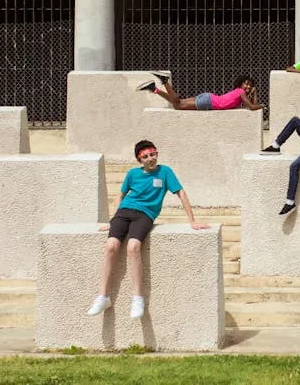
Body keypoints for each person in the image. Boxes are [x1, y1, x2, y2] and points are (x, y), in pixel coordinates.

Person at [86, 140, 210, 319]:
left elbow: (181, 193)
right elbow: (120, 196)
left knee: (133, 247)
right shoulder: (132, 174)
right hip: (124, 211)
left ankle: (138, 298)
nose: (150, 159)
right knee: (111, 246)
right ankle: (103, 296)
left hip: (145, 215)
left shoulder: (165, 172)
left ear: (157, 154)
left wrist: (192, 220)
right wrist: (112, 221)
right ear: (139, 159)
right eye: (145, 157)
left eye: (153, 154)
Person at [137, 72, 264, 112]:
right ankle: (165, 82)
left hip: (208, 98)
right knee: (178, 105)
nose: (248, 87)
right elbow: (252, 107)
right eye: (246, 84)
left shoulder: (238, 92)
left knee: (177, 103)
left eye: (250, 86)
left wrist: (254, 92)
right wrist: (263, 106)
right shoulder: (240, 92)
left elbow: (252, 104)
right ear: (241, 84)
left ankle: (155, 89)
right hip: (209, 102)